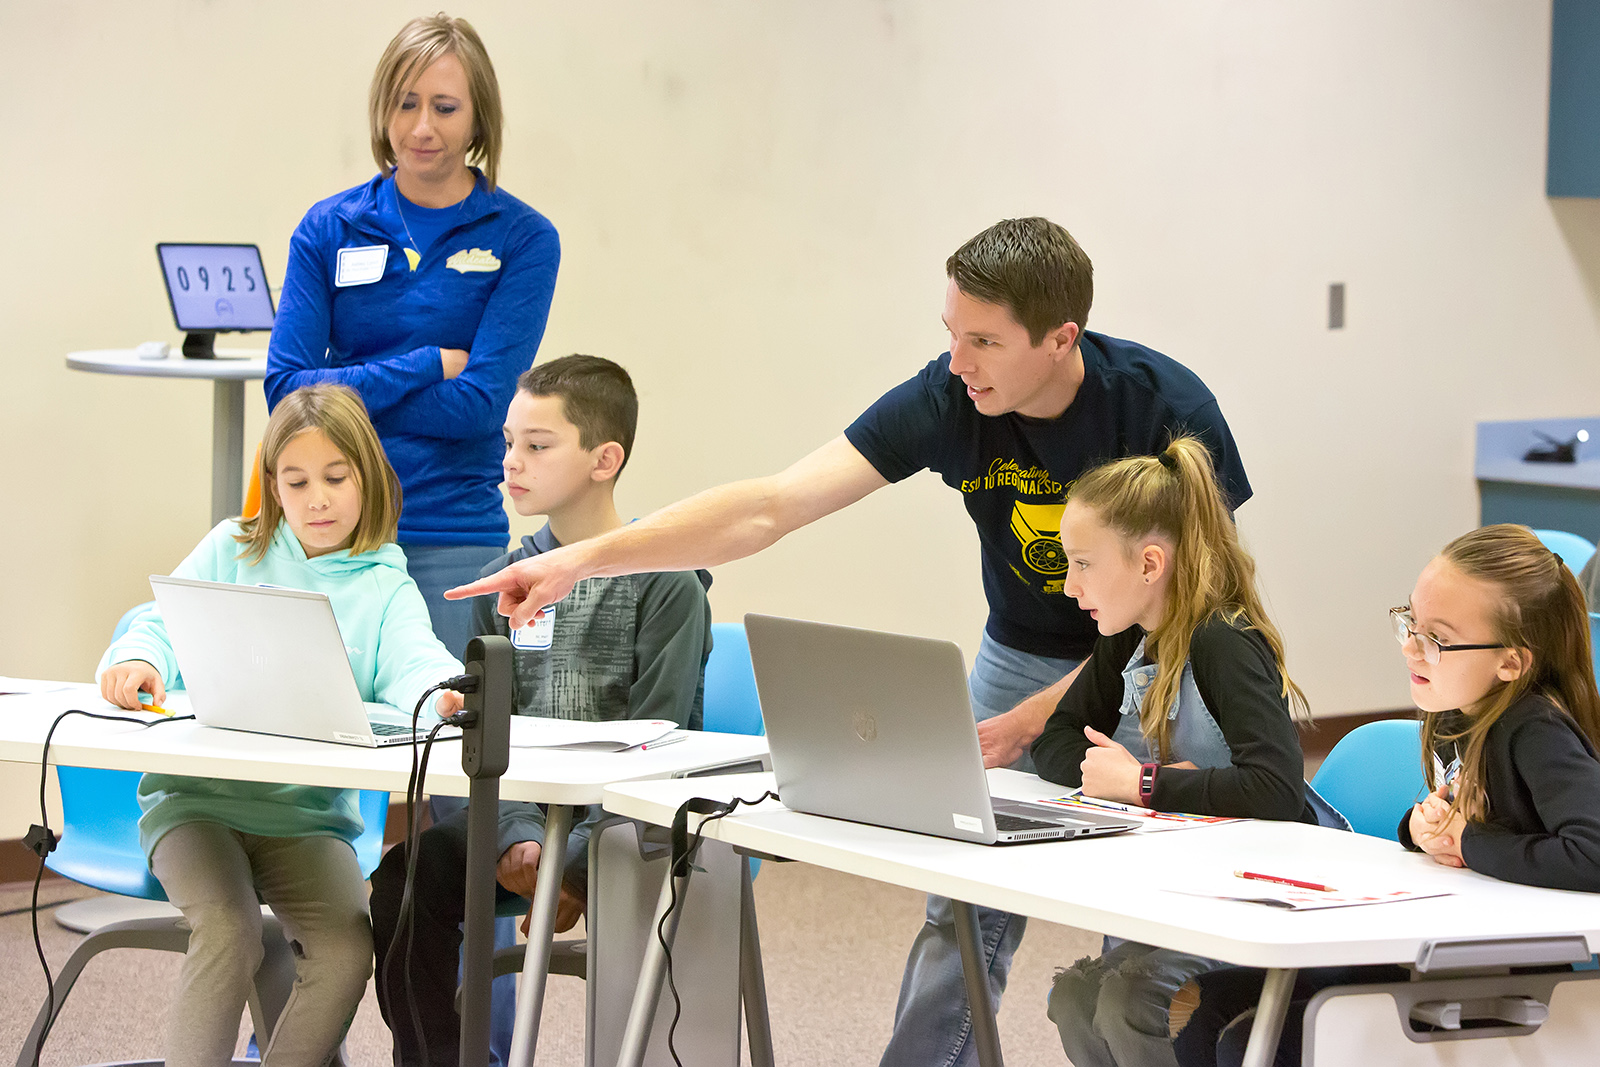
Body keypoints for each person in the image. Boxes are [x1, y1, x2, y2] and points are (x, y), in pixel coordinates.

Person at [448, 217, 1253, 1067]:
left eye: (984, 340)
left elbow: (1192, 603)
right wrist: (584, 560)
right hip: (1019, 647)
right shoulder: (950, 397)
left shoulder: (1165, 406)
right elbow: (770, 506)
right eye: (951, 332)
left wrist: (1029, 723)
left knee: (1166, 895)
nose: (958, 360)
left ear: (1061, 339)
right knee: (961, 895)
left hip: (1165, 655)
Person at [97, 384, 464, 1067]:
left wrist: (441, 692)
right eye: (296, 481)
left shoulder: (387, 583)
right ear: (273, 485)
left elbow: (417, 659)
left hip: (304, 819)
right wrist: (139, 657)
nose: (316, 498)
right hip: (193, 804)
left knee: (348, 949)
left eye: (335, 477)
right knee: (231, 928)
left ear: (369, 478)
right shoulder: (233, 546)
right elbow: (156, 622)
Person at [369, 355, 714, 1067]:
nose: (511, 462)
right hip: (526, 822)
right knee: (403, 881)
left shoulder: (668, 583)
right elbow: (494, 732)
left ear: (604, 458)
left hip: (631, 827)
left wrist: (574, 867)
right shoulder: (509, 575)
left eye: (537, 445)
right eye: (507, 442)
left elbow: (660, 748)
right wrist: (519, 841)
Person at [1175, 523, 1600, 1067]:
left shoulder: (1537, 730)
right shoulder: (1459, 711)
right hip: (1439, 951)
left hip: (1507, 982)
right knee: (1205, 1004)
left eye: (1436, 639)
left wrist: (1470, 844)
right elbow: (1479, 820)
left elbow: (1591, 853)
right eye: (1410, 623)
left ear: (1510, 663)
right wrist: (1421, 827)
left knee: (1249, 1038)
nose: (1410, 647)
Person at [1029, 436, 1334, 1067]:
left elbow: (1275, 788)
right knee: (1075, 997)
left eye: (1083, 564)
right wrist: (1110, 776)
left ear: (1148, 565)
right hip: (1197, 875)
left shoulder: (1223, 640)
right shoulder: (1129, 633)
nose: (1067, 585)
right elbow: (1057, 741)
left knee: (1127, 1002)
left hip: (1275, 892)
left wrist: (1142, 783)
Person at [265, 12, 560, 658]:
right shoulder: (327, 229)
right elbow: (286, 393)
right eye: (406, 104)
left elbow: (482, 404)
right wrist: (428, 363)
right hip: (330, 541)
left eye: (446, 107)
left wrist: (343, 394)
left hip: (451, 539)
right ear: (382, 111)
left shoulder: (524, 239)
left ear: (479, 119)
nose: (423, 127)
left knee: (445, 745)